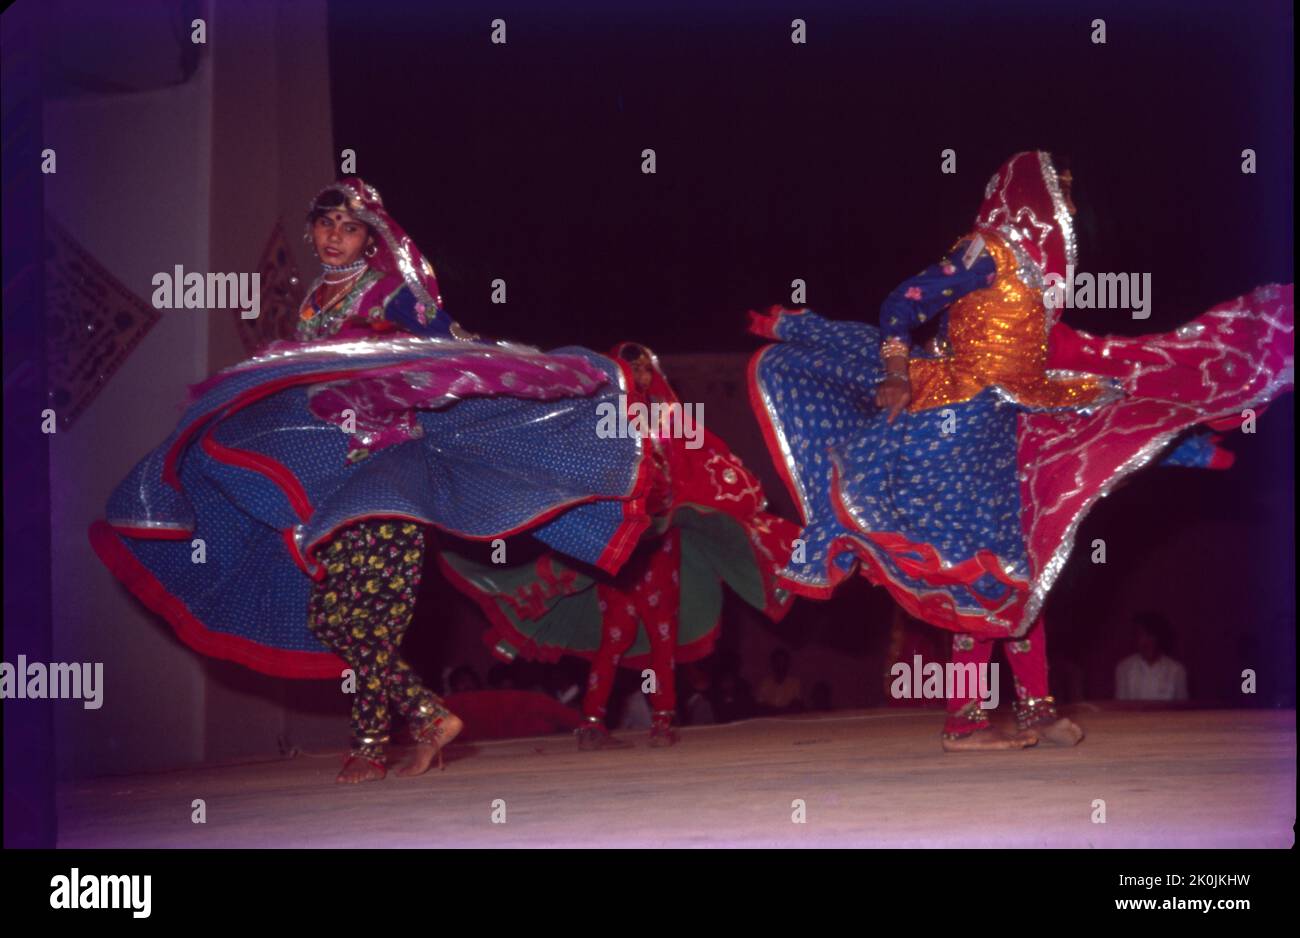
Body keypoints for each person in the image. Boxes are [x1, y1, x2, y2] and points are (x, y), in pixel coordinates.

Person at [91, 179, 655, 783]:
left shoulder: (385, 293)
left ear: (370, 238)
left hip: (392, 474)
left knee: (350, 619)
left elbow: (445, 338)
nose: (334, 236)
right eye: (325, 223)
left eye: (349, 226)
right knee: (346, 618)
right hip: (341, 472)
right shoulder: (313, 299)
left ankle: (386, 736)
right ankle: (400, 729)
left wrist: (511, 363)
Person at [749, 151, 1293, 751]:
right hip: (951, 427)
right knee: (981, 578)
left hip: (999, 424)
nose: (1072, 208)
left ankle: (1033, 706)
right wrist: (898, 372)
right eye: (1063, 194)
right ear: (1036, 199)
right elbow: (902, 302)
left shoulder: (1036, 280)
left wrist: (1174, 438)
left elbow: (1045, 369)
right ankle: (965, 722)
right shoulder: (988, 251)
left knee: (1018, 577)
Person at [439, 342, 799, 749]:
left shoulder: (669, 417)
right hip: (621, 544)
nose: (642, 376)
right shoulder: (601, 418)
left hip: (663, 546)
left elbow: (702, 462)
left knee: (664, 637)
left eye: (647, 369)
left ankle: (663, 720)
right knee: (614, 637)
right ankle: (592, 721)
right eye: (633, 369)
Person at [1114, 612, 1189, 701]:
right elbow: (1120, 709)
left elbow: (1182, 709)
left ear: (1160, 637)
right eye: (1141, 635)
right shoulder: (1124, 668)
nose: (1146, 641)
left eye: (1150, 635)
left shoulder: (1177, 671)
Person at [755, 648, 803, 714]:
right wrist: (775, 711)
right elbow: (760, 705)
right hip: (768, 719)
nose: (780, 665)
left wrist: (781, 711)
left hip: (788, 718)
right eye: (777, 661)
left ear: (788, 664)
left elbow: (796, 705)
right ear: (772, 664)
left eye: (783, 661)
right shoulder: (765, 683)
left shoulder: (795, 683)